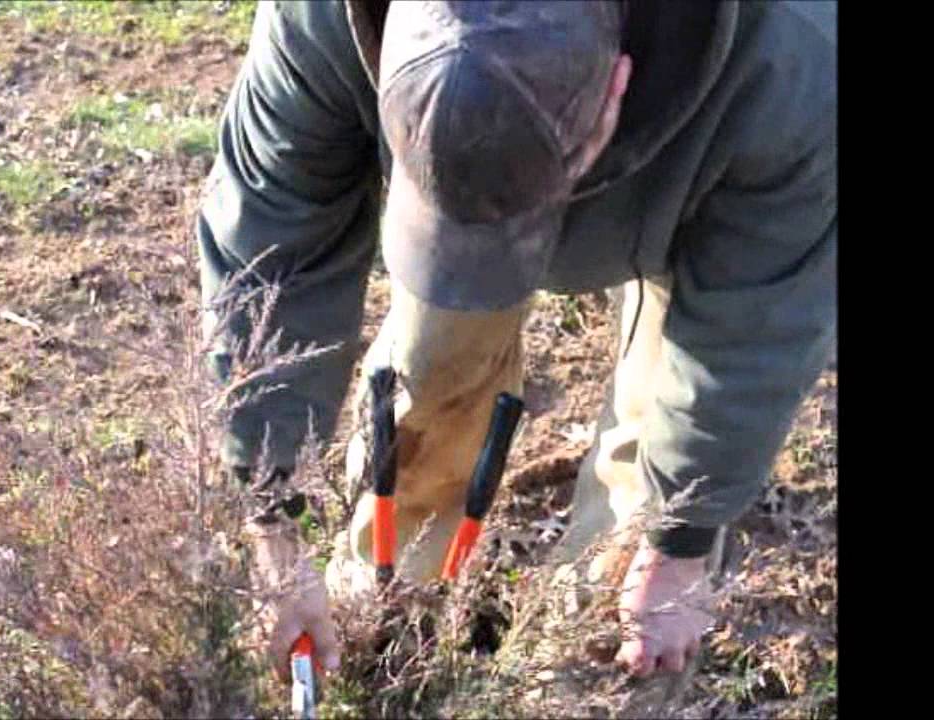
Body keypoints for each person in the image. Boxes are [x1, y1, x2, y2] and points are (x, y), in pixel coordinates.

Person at [195, 0, 836, 682]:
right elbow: (273, 250)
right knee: (432, 371)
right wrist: (271, 523)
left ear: (617, 88)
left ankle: (596, 659)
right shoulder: (320, 18)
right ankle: (392, 610)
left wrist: (679, 544)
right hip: (452, 150)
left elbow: (752, 329)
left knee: (655, 466)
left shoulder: (792, 69)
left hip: (700, 165)